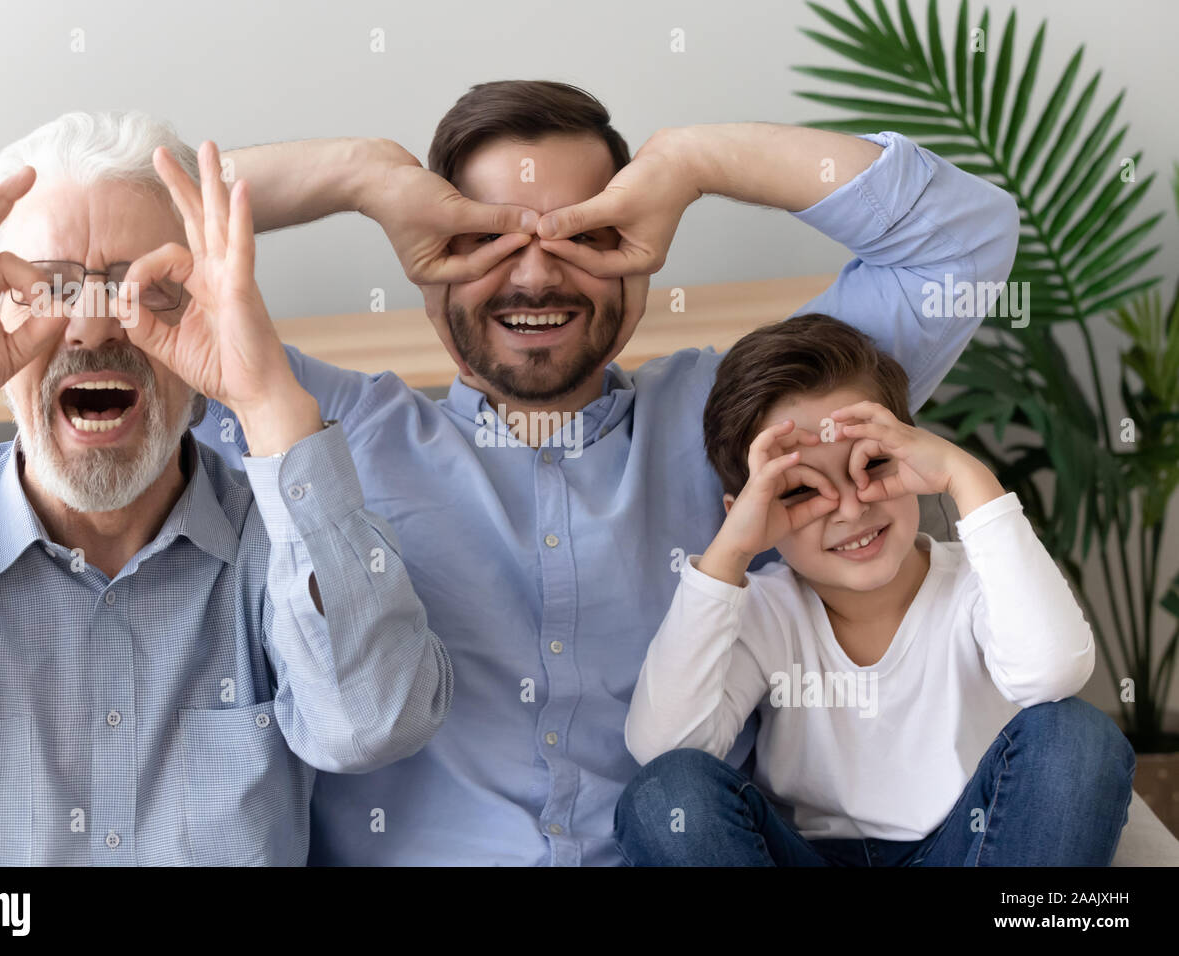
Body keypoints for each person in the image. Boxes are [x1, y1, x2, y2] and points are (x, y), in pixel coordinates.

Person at [194, 80, 1021, 865]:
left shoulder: (742, 415)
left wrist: (693, 162)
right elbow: (123, 269)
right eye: (485, 240)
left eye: (584, 235)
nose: (535, 274)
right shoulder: (314, 425)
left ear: (640, 251)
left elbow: (963, 239)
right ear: (426, 259)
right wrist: (362, 175)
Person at [0, 111, 451, 865]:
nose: (90, 328)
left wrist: (268, 400)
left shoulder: (280, 547)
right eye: (49, 289)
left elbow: (374, 722)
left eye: (138, 286)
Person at [616, 314, 1135, 866]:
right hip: (812, 857)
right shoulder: (763, 612)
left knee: (1076, 736)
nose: (851, 506)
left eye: (875, 463)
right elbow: (665, 748)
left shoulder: (978, 580)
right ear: (751, 512)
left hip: (972, 849)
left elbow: (1054, 671)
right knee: (665, 794)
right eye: (800, 492)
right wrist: (731, 551)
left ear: (915, 452)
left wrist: (966, 475)